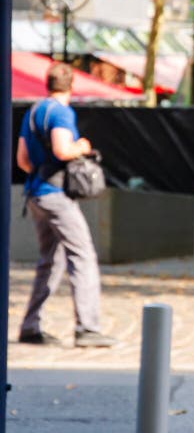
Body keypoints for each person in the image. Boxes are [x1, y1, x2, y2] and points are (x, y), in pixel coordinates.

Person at [16, 62, 116, 347]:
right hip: (57, 196)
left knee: (50, 261)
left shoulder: (34, 111)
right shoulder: (61, 112)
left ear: (47, 84)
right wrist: (81, 147)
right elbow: (62, 149)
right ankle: (87, 327)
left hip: (35, 193)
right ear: (71, 86)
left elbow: (22, 159)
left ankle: (30, 326)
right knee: (82, 255)